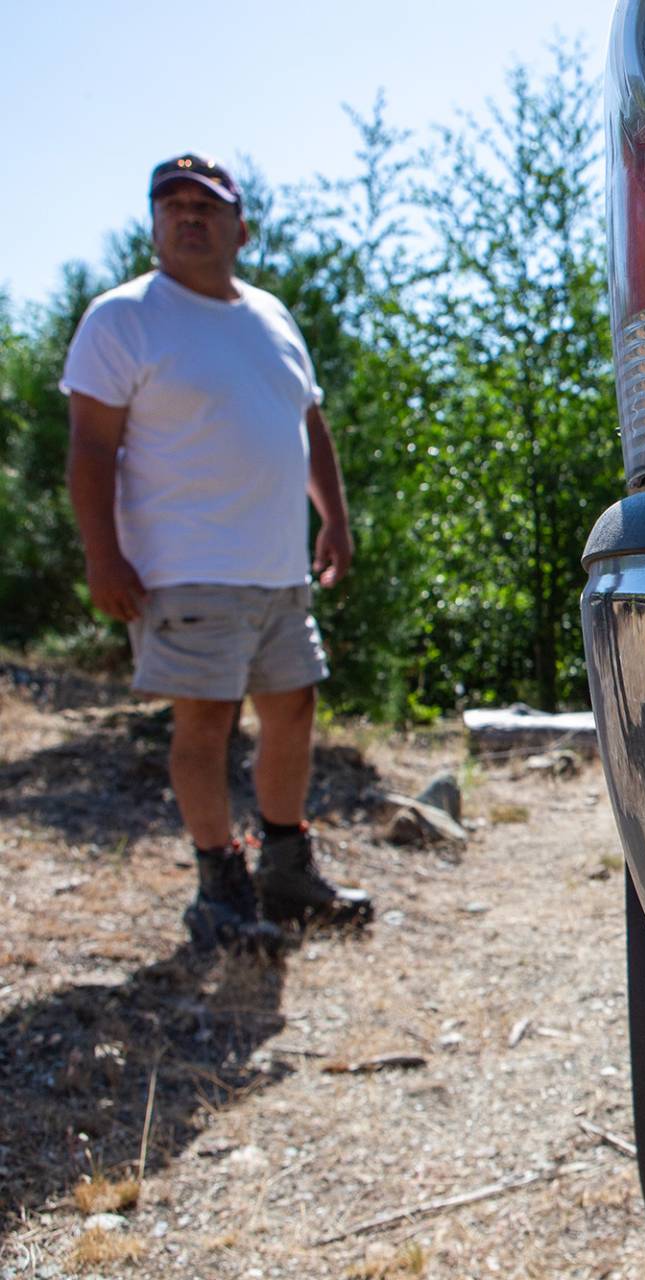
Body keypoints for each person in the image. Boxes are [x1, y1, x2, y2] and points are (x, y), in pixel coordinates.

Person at [62, 153, 373, 954]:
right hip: (184, 564)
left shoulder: (271, 316)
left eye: (206, 204)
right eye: (171, 204)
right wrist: (103, 557)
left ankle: (287, 868)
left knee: (294, 708)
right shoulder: (123, 318)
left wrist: (333, 518)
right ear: (154, 224)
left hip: (276, 566)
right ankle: (219, 887)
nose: (188, 216)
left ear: (241, 226)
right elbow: (92, 450)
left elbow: (308, 426)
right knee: (205, 721)